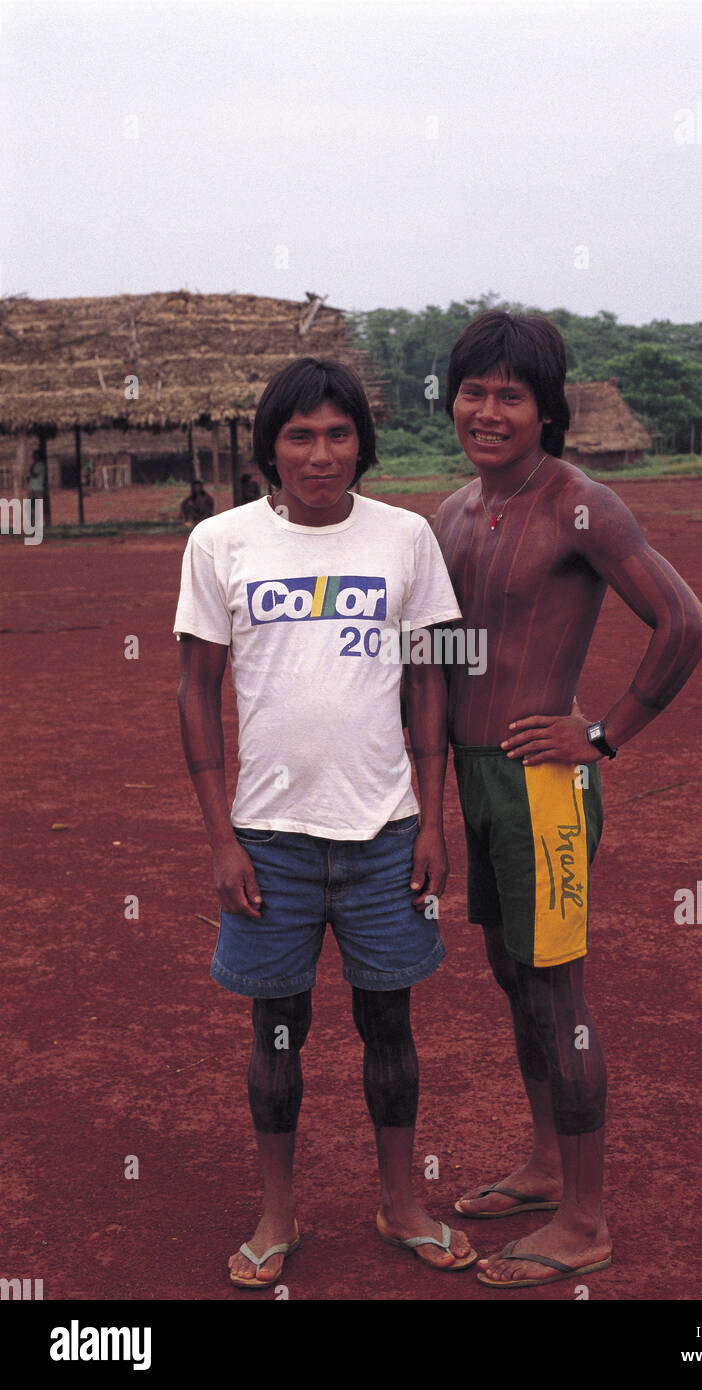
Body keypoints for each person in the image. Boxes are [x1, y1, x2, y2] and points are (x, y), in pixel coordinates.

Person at [174, 356, 475, 1288]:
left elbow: (431, 675)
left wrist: (431, 817)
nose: (320, 452)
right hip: (270, 839)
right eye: (299, 435)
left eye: (338, 433)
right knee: (277, 1030)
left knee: (390, 1023)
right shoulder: (221, 544)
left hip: (385, 830)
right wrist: (221, 837)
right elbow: (195, 689)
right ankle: (277, 1214)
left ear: (362, 443)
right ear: (269, 448)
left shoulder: (407, 538)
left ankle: (401, 1202)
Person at [432, 310, 702, 1289]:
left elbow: (685, 624)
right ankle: (548, 1163)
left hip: (542, 782)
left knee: (558, 993)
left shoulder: (581, 505)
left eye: (511, 394)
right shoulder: (450, 513)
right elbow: (438, 657)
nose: (488, 410)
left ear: (548, 410)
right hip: (474, 777)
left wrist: (598, 738)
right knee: (515, 979)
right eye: (473, 390)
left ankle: (586, 1220)